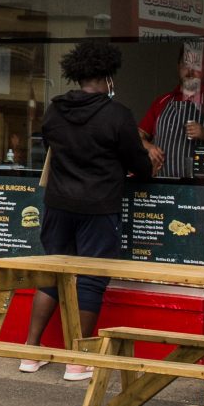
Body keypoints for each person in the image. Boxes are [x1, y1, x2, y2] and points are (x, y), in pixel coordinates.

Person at [30, 41, 153, 380]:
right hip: (99, 208)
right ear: (107, 76)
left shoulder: (55, 110)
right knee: (91, 279)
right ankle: (77, 360)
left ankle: (31, 351)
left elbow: (50, 146)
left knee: (52, 273)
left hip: (58, 205)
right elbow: (139, 165)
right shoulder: (117, 115)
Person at [140, 47, 204, 179]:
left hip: (202, 188)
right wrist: (148, 147)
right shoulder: (162, 101)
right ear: (178, 67)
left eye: (196, 65)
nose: (190, 71)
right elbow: (137, 136)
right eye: (186, 64)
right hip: (164, 186)